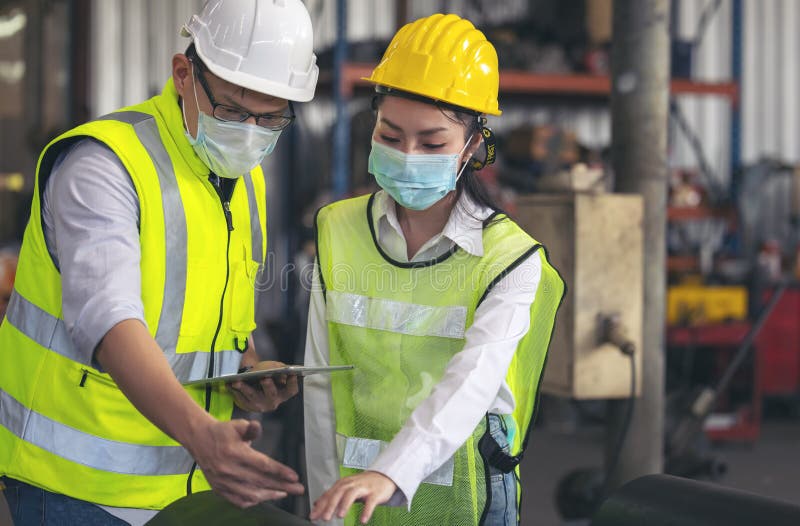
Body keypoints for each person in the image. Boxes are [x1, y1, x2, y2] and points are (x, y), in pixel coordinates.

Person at [0, 0, 318, 524]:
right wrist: (203, 435)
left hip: (181, 490)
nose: (251, 133)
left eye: (271, 117)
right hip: (73, 490)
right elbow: (109, 321)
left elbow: (213, 316)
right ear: (184, 74)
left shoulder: (243, 180)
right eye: (235, 111)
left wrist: (248, 372)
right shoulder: (104, 165)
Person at [303, 12, 565, 526]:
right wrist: (326, 508)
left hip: (467, 502)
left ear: (472, 147)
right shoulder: (337, 229)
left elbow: (471, 382)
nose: (407, 155)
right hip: (356, 501)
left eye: (432, 143)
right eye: (391, 135)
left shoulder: (508, 258)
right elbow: (320, 387)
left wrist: (392, 473)